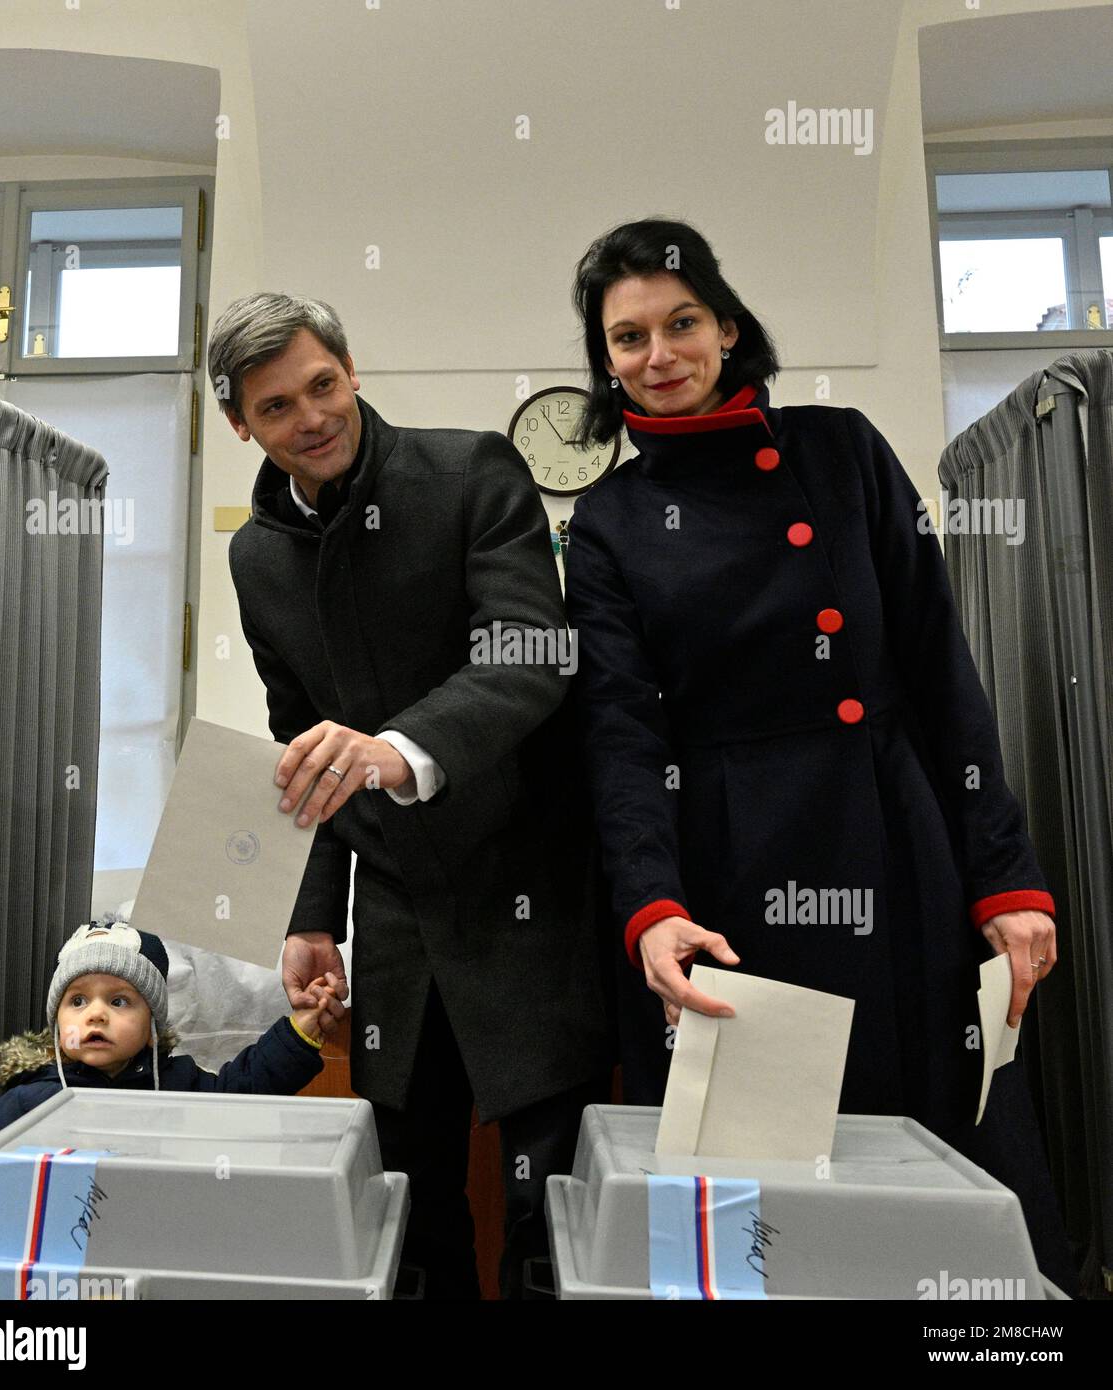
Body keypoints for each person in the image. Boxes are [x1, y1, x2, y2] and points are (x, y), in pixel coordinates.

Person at [562, 217, 1077, 1295]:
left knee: (940, 1161)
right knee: (760, 1203)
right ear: (603, 363)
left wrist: (1004, 873)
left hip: (895, 844)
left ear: (727, 325)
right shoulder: (606, 522)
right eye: (625, 339)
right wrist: (651, 907)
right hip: (730, 877)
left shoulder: (839, 451)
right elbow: (618, 733)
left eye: (680, 322)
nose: (657, 356)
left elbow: (942, 673)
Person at [208, 293, 610, 1300]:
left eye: (323, 385)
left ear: (350, 368)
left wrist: (397, 746)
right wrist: (309, 918)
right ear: (239, 425)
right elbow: (298, 748)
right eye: (276, 407)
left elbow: (532, 653)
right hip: (394, 913)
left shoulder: (469, 469)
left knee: (548, 1209)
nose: (311, 417)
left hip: (530, 893)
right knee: (409, 1203)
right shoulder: (255, 556)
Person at [0, 918, 340, 1144]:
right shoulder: (28, 1102)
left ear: (152, 1029)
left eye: (118, 1002)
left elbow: (245, 1090)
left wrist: (299, 1031)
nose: (96, 1015)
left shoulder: (179, 1084)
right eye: (78, 1001)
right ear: (57, 1025)